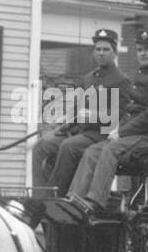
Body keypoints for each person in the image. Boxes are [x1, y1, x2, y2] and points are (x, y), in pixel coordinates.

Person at [67, 28, 148, 214]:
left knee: (111, 149)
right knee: (93, 151)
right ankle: (74, 200)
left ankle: (94, 202)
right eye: (140, 49)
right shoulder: (142, 73)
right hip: (136, 133)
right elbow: (132, 109)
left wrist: (121, 132)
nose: (143, 53)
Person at [32, 29, 133, 196]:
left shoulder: (121, 81)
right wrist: (63, 125)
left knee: (68, 147)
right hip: (79, 131)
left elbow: (118, 116)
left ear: (114, 52)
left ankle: (55, 196)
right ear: (93, 53)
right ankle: (39, 195)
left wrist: (93, 116)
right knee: (42, 146)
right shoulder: (88, 78)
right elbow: (77, 109)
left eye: (106, 49)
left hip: (100, 134)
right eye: (98, 49)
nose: (101, 53)